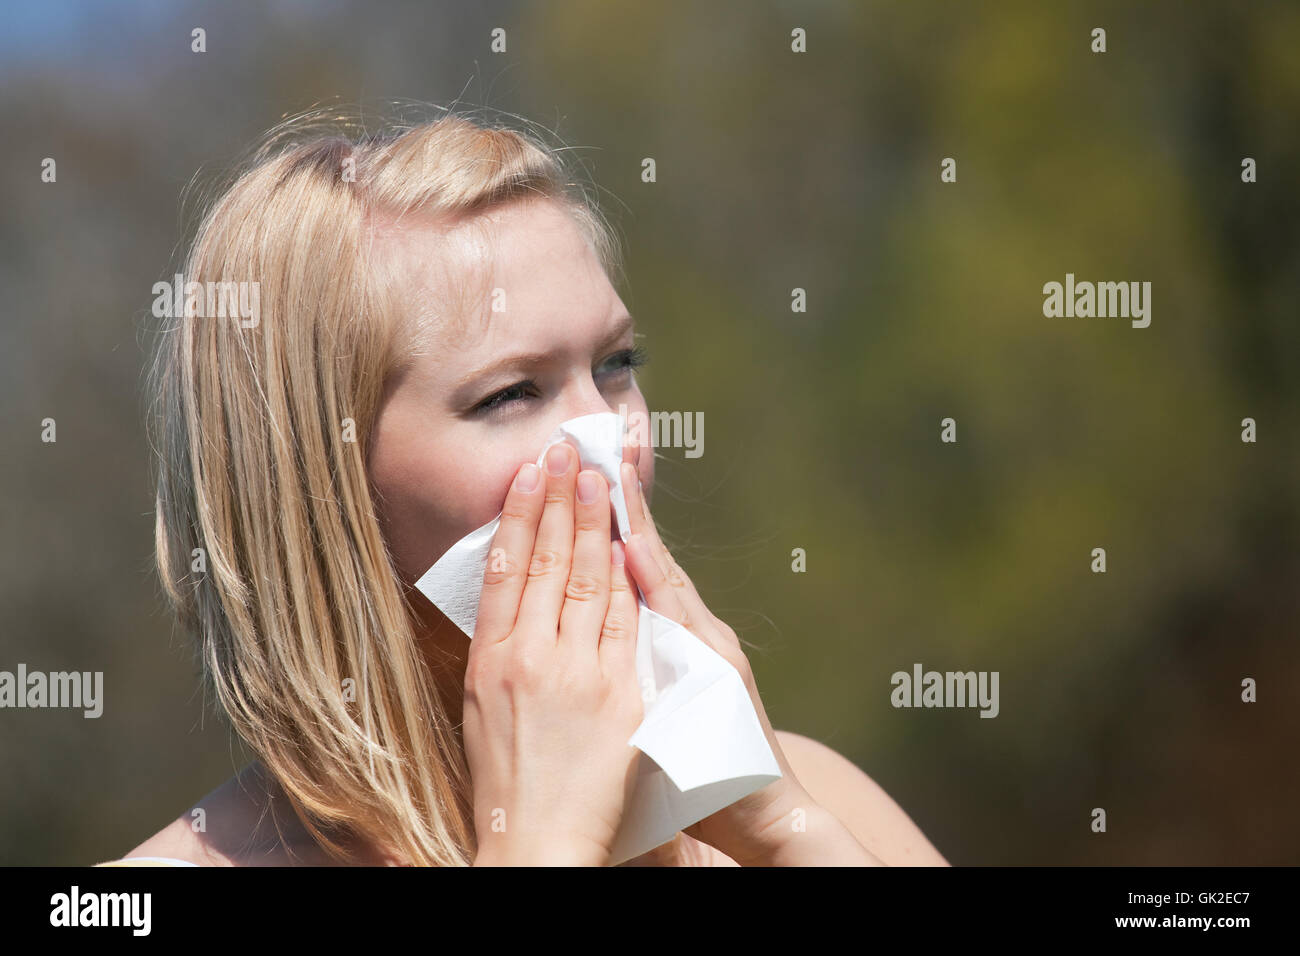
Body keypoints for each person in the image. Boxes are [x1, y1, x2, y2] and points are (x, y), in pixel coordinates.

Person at [102, 109, 948, 867]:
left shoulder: (811, 801)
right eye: (510, 394)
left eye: (616, 366)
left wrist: (784, 836)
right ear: (321, 486)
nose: (610, 450)